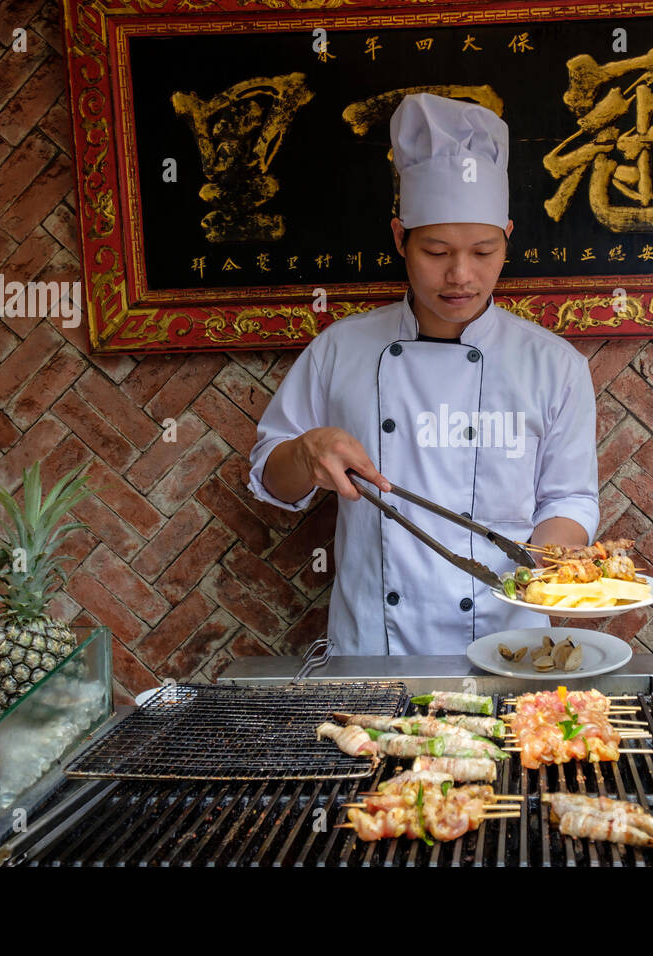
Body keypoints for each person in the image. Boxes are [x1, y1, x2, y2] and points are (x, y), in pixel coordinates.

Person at [247, 93, 598, 655]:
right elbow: (270, 479)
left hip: (511, 641)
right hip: (372, 649)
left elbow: (570, 500)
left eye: (483, 251)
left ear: (508, 237)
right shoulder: (342, 349)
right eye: (436, 251)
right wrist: (305, 452)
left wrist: (540, 569)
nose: (460, 276)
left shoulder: (554, 365)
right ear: (398, 239)